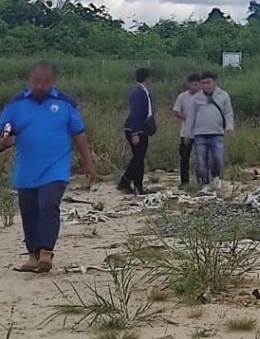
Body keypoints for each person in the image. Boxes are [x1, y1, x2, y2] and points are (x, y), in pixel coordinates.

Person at [0, 61, 96, 274]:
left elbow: (78, 134)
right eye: (35, 82)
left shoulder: (65, 102)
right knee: (29, 212)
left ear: (52, 82)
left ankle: (46, 251)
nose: (39, 86)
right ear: (29, 80)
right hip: (26, 170)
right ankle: (33, 255)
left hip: (56, 168)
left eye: (44, 82)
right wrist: (5, 140)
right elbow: (6, 133)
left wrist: (88, 161)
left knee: (48, 205)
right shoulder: (15, 104)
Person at [182, 72, 234, 196]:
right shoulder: (196, 98)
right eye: (203, 83)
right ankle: (205, 184)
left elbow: (228, 113)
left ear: (214, 82)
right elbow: (191, 117)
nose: (206, 85)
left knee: (218, 159)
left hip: (217, 133)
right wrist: (187, 134)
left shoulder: (223, 95)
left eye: (208, 82)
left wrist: (229, 126)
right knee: (202, 161)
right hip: (200, 134)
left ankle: (215, 176)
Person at [119, 68, 155, 195]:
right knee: (138, 158)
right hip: (136, 129)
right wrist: (134, 133)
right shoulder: (138, 93)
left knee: (139, 158)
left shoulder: (142, 91)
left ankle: (137, 185)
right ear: (147, 78)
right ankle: (126, 182)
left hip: (141, 129)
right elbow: (135, 113)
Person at [172, 73, 201, 189]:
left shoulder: (203, 97)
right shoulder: (182, 97)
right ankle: (184, 181)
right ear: (188, 84)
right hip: (186, 132)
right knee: (184, 157)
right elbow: (176, 111)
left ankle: (201, 181)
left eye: (196, 84)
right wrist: (187, 118)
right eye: (192, 84)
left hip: (200, 132)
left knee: (201, 157)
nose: (194, 86)